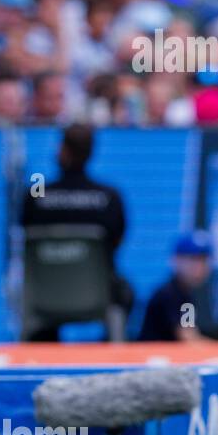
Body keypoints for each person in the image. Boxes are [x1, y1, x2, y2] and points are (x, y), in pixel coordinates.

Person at [20, 123, 131, 340]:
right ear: (91, 153)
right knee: (125, 293)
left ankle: (44, 353)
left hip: (44, 294)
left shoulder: (36, 195)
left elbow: (24, 235)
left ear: (63, 150)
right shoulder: (109, 197)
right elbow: (116, 243)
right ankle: (105, 356)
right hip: (98, 294)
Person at [138, 231, 213, 342]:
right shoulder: (169, 294)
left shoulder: (186, 295)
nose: (199, 267)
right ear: (176, 260)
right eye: (193, 259)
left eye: (203, 260)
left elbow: (190, 335)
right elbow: (189, 339)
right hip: (151, 357)